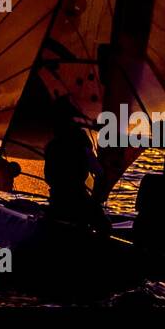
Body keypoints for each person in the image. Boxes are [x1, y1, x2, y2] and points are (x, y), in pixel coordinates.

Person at [43, 97, 110, 235]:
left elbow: (48, 177)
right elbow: (99, 172)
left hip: (57, 199)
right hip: (77, 199)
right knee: (105, 227)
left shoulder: (52, 146)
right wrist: (95, 200)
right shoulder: (80, 143)